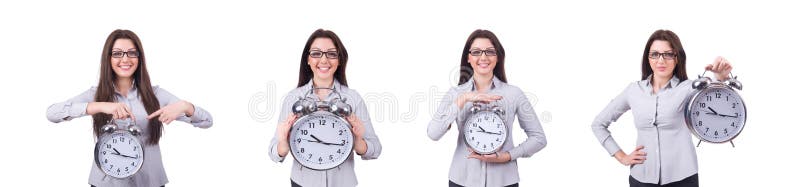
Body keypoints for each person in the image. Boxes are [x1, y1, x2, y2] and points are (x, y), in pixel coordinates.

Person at [46, 29, 213, 187]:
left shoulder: (157, 95)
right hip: (106, 182)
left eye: (132, 53)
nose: (125, 59)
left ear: (139, 58)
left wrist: (186, 106)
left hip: (150, 181)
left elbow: (207, 121)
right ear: (108, 58)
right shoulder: (96, 94)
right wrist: (99, 106)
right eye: (117, 53)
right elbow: (52, 113)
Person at [590, 29, 733, 187]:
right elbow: (598, 124)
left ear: (677, 58)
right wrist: (622, 156)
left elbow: (713, 94)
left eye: (668, 54)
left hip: (683, 179)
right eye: (655, 54)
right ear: (648, 58)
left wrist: (720, 77)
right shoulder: (633, 91)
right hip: (642, 179)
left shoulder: (688, 88)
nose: (661, 60)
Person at [428, 29, 547, 187]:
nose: (483, 57)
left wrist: (507, 156)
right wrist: (464, 99)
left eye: (490, 52)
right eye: (476, 52)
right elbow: (433, 133)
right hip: (462, 180)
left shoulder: (513, 94)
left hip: (504, 181)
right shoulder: (455, 94)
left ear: (498, 57)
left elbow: (539, 138)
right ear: (468, 58)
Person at [268, 29, 382, 187]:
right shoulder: (293, 98)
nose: (324, 60)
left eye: (331, 54)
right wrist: (283, 142)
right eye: (316, 53)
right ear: (308, 59)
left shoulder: (353, 98)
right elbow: (274, 153)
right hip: (302, 183)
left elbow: (376, 150)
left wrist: (358, 141)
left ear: (339, 60)